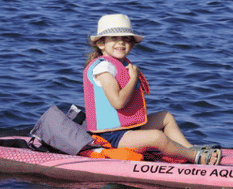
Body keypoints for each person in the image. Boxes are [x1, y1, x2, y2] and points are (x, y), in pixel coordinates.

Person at [82, 13, 221, 164]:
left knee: (165, 117)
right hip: (110, 136)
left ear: (132, 45)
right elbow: (118, 102)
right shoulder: (103, 68)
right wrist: (133, 78)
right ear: (101, 44)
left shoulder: (122, 65)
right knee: (157, 137)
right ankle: (196, 158)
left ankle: (189, 149)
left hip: (127, 129)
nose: (121, 43)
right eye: (114, 38)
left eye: (126, 39)